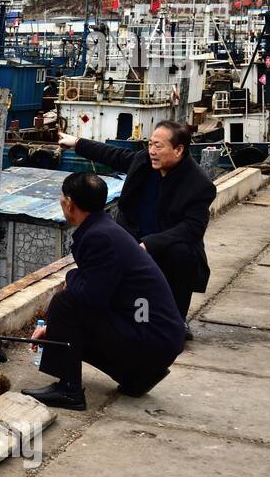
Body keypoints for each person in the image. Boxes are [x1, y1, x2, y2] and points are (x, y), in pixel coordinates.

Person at [23, 172, 186, 410]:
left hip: (152, 337)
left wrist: (71, 276)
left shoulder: (99, 237)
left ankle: (69, 390)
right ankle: (136, 376)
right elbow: (102, 292)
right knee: (71, 310)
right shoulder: (104, 227)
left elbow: (91, 299)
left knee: (65, 302)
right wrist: (54, 330)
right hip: (155, 335)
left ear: (69, 203)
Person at [58, 120, 215, 335]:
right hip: (132, 233)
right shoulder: (143, 162)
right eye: (150, 144)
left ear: (178, 150)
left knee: (182, 254)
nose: (152, 151)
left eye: (158, 146)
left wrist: (149, 244)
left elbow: (192, 228)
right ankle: (122, 314)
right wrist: (76, 142)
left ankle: (176, 320)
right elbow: (112, 155)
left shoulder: (199, 184)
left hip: (165, 244)